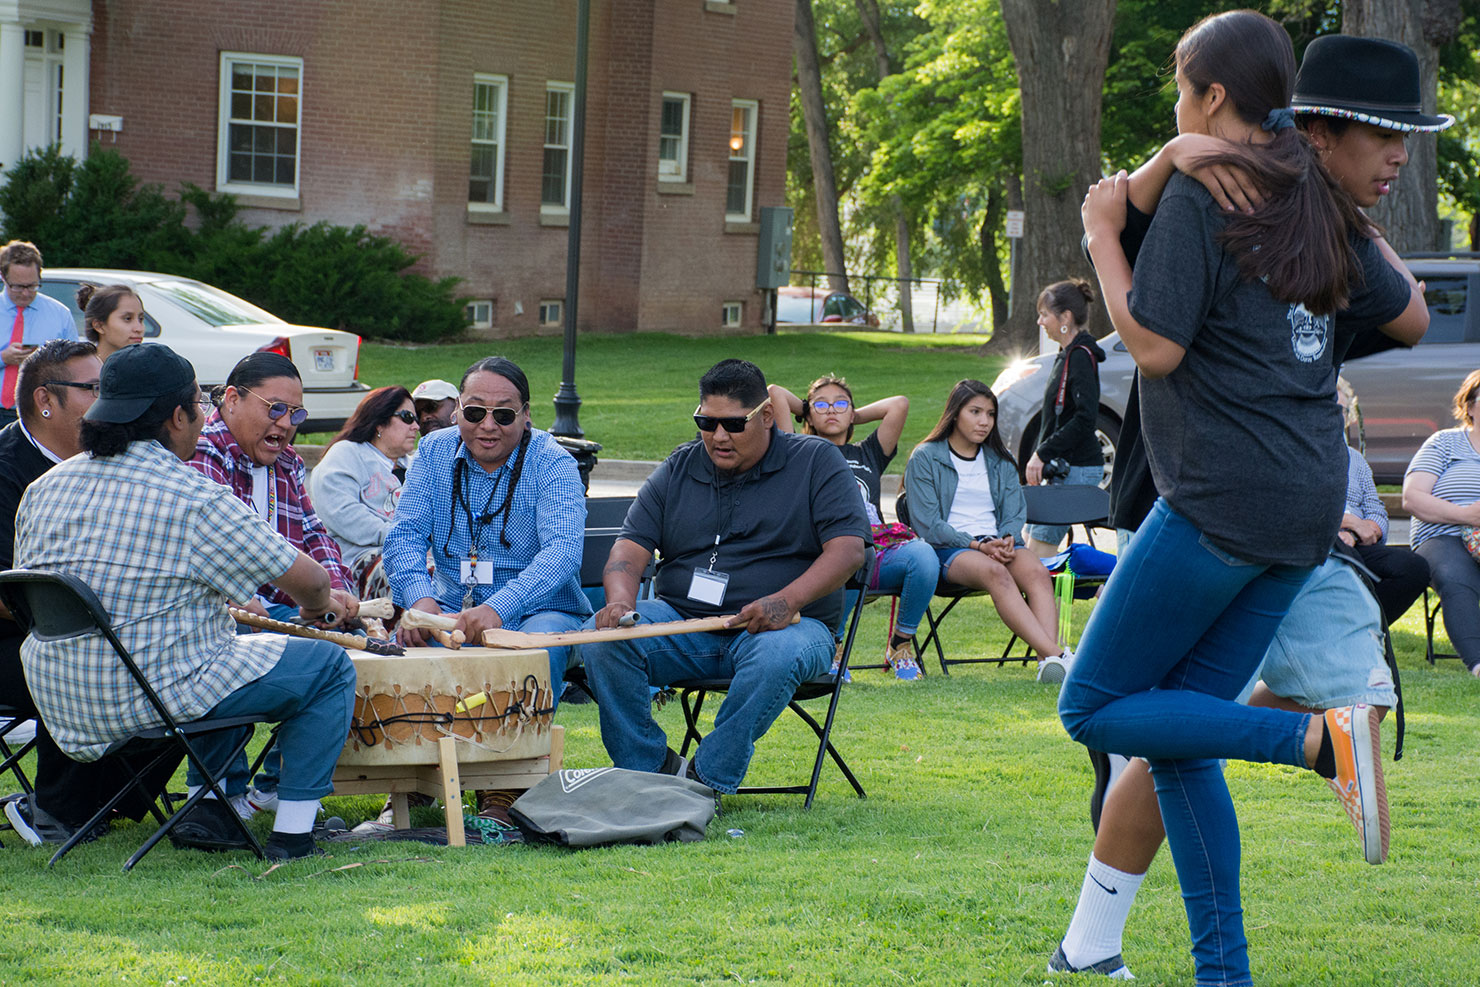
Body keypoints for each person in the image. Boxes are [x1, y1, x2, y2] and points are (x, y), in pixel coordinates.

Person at [1050, 31, 1448, 981]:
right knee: (1181, 732)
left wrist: (1103, 235)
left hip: (1220, 503)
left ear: (1211, 93)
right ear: (1314, 128)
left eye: (1181, 97)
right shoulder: (1318, 202)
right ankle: (1217, 972)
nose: (1399, 156)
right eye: (1388, 137)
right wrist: (1170, 160)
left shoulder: (1210, 192)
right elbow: (1413, 316)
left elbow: (1152, 348)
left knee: (1095, 706)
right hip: (1304, 507)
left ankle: (1316, 740)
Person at [13, 343, 355, 861]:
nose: (202, 418)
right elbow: (308, 582)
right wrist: (314, 604)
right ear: (177, 416)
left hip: (62, 700)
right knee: (328, 665)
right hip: (150, 697)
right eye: (198, 405)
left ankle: (210, 804)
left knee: (226, 640)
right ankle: (293, 836)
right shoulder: (191, 495)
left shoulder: (43, 488)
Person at [583, 359, 868, 797]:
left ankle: (705, 781)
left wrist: (786, 602)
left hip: (789, 627)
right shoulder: (680, 466)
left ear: (766, 416)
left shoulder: (816, 461)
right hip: (686, 621)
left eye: (734, 424)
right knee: (601, 640)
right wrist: (621, 602)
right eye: (706, 422)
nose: (718, 436)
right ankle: (650, 769)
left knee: (775, 654)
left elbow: (848, 551)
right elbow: (629, 546)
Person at [383, 356, 590, 824]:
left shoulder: (553, 462)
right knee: (406, 655)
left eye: (504, 414)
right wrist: (419, 601)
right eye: (475, 413)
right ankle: (416, 781)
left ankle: (504, 790)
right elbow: (405, 535)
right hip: (451, 609)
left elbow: (561, 555)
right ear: (457, 412)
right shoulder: (434, 453)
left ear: (527, 415)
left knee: (531, 654)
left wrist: (499, 608)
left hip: (543, 611)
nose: (488, 426)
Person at [0, 340, 181, 847]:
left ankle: (118, 798)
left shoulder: (106, 466)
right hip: (16, 638)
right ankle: (56, 810)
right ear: (45, 401)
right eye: (94, 388)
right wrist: (70, 614)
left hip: (92, 628)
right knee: (90, 656)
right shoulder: (6, 470)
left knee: (178, 654)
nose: (106, 401)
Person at [188, 351, 358, 816]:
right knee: (230, 633)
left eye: (295, 413)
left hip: (276, 609)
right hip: (212, 613)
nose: (285, 424)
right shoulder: (205, 449)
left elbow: (314, 531)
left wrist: (335, 593)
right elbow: (210, 544)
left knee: (351, 641)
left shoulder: (285, 464)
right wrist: (237, 597)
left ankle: (280, 784)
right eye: (274, 408)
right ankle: (219, 789)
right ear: (231, 400)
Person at [903, 379, 1071, 682]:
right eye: (975, 412)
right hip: (950, 550)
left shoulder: (999, 460)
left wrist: (1007, 537)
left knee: (1037, 572)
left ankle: (1049, 664)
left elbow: (1013, 511)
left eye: (990, 414)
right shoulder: (926, 457)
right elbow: (929, 524)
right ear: (955, 414)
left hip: (999, 545)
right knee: (996, 573)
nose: (984, 421)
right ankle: (1058, 655)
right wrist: (978, 546)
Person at [769, 376, 934, 680]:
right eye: (822, 404)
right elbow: (775, 393)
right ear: (807, 413)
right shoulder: (800, 451)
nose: (831, 410)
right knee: (846, 551)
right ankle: (833, 648)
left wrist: (847, 413)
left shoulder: (867, 452)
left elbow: (899, 404)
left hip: (878, 551)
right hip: (831, 552)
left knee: (923, 556)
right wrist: (810, 410)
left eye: (840, 403)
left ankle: (900, 645)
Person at [308, 386, 418, 600]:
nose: (416, 426)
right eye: (407, 417)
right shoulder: (347, 454)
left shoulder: (415, 465)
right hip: (359, 558)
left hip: (413, 550)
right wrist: (400, 538)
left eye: (416, 419)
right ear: (379, 420)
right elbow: (343, 513)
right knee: (411, 574)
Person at [1404, 370, 1480, 676]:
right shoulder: (1445, 443)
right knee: (1454, 575)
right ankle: (1478, 664)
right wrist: (1466, 516)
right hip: (1444, 536)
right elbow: (1412, 497)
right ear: (1470, 407)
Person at [1025, 279, 1107, 556]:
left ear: (1065, 318)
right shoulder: (1068, 355)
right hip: (1066, 466)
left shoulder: (1081, 357)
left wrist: (1041, 453)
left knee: (1037, 555)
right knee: (1028, 544)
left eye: (1044, 314)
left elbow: (1086, 419)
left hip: (1077, 467)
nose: (1040, 321)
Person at [0, 240, 77, 426]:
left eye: (32, 286)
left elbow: (74, 367)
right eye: (18, 286)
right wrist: (3, 358)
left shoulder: (60, 314)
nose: (26, 294)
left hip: (38, 414)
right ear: (3, 277)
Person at [77, 283, 146, 363]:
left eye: (141, 319)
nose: (139, 329)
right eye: (127, 319)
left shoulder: (147, 369)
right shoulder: (81, 371)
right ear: (99, 326)